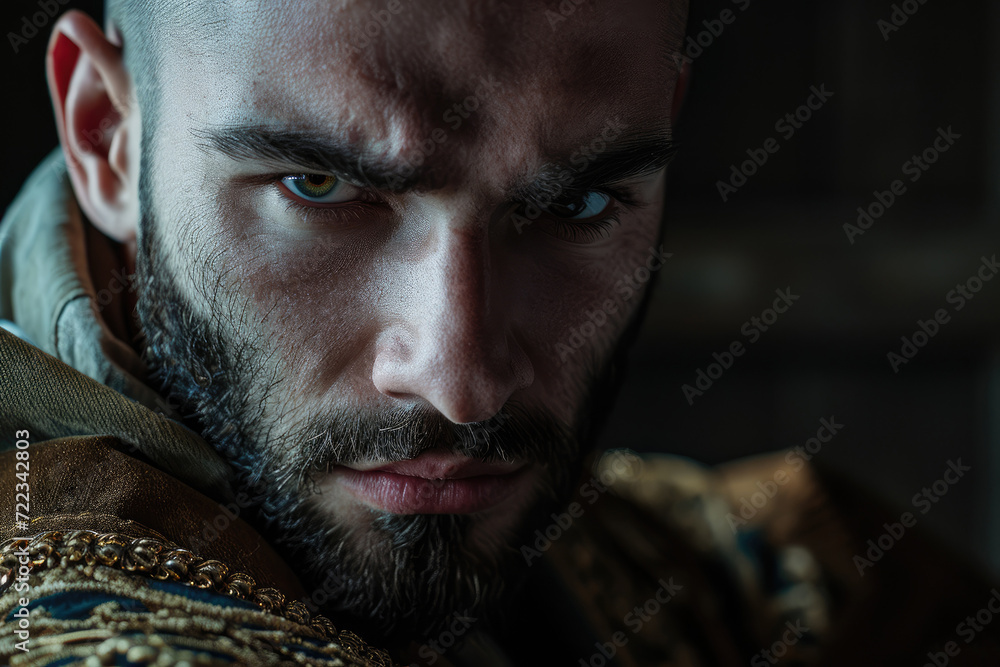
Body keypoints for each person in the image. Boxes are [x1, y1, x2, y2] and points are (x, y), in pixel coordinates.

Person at [0, 1, 997, 665]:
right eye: (321, 186)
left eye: (581, 202)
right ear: (106, 133)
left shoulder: (682, 567)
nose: (460, 383)